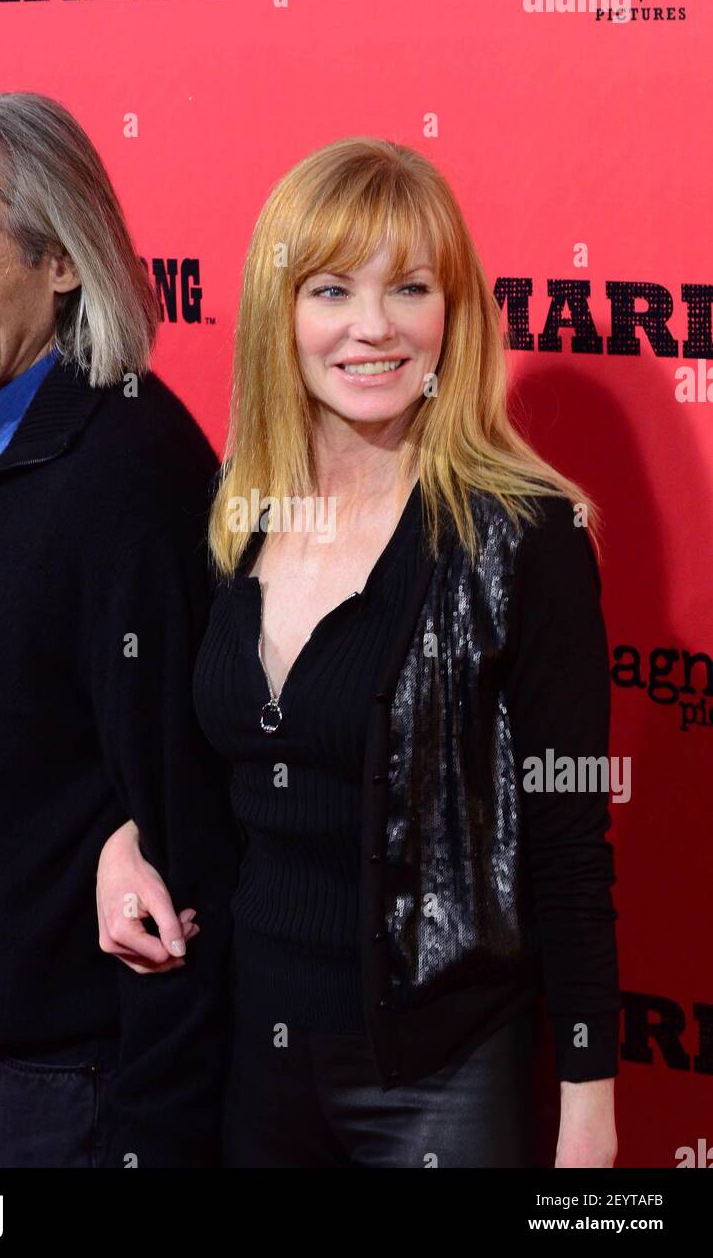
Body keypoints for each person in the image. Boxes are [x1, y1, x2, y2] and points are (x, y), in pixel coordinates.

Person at [96, 136, 621, 1168]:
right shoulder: (234, 518)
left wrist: (588, 1113)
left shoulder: (524, 537)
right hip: (253, 1057)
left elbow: (568, 848)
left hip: (447, 1080)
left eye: (410, 288)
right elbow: (195, 766)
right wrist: (122, 838)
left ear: (452, 315)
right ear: (278, 315)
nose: (372, 327)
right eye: (332, 289)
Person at [0, 91, 239, 1168]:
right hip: (31, 1067)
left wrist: (144, 1131)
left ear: (62, 263)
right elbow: (34, 774)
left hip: (105, 1093)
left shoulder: (127, 474)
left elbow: (189, 836)